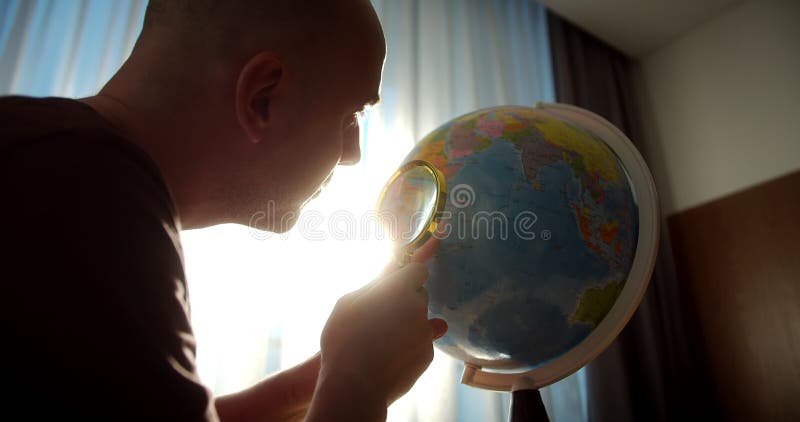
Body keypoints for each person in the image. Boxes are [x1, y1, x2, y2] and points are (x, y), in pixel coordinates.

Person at [0, 0, 447, 420]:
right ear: (262, 99)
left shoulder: (54, 164)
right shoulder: (93, 207)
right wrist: (358, 382)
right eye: (351, 116)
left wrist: (315, 381)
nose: (351, 154)